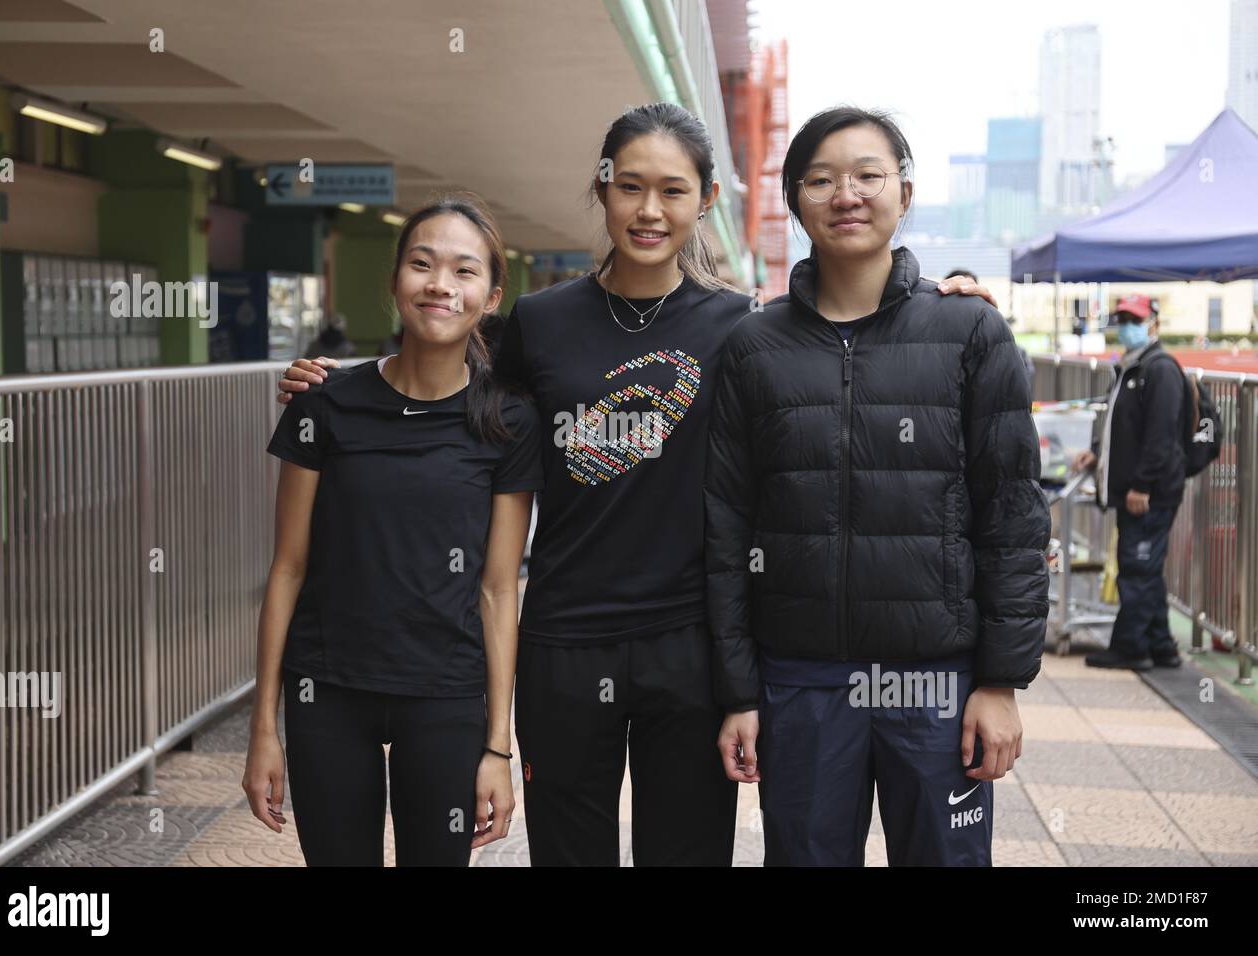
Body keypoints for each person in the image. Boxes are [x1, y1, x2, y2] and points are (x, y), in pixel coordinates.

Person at [276, 104, 996, 867]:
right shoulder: (541, 322)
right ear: (603, 188)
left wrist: (933, 300)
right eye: (630, 187)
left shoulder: (742, 329)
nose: (650, 211)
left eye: (674, 191)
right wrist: (339, 385)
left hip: (689, 647)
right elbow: (454, 386)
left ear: (707, 199)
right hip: (563, 644)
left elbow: (840, 339)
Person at [706, 106, 1050, 866]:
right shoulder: (754, 347)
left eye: (868, 175)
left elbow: (1013, 515)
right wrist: (738, 691)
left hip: (936, 683)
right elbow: (725, 525)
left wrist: (1000, 681)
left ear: (905, 194)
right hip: (801, 680)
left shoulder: (968, 333)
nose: (846, 194)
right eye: (822, 179)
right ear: (796, 201)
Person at [242, 196, 544, 866]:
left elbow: (499, 590)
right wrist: (264, 727)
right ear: (394, 280)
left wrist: (499, 744)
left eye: (463, 271)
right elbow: (287, 568)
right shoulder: (324, 405)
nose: (439, 283)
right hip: (328, 692)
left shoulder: (506, 424)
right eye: (421, 263)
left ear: (489, 297)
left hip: (446, 695)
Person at [1073, 294, 1185, 670]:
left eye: (1133, 319)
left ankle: (1130, 647)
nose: (1126, 326)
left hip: (1148, 493)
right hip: (1135, 489)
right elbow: (1118, 424)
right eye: (1121, 319)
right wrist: (1095, 452)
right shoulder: (1131, 367)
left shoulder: (1160, 369)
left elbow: (1161, 435)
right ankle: (1162, 645)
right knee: (1144, 565)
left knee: (1137, 567)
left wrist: (1142, 485)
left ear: (1153, 323)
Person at [944, 268, 1035, 394]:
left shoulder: (1009, 347)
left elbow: (1016, 386)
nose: (965, 304)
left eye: (970, 294)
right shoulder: (937, 345)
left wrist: (992, 326)